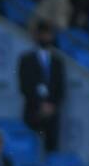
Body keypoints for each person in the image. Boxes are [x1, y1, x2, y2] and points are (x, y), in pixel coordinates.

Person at [18, 20, 65, 153]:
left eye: (49, 34)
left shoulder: (58, 62)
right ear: (38, 35)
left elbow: (61, 88)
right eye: (44, 34)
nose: (46, 37)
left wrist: (52, 105)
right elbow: (24, 86)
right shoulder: (26, 60)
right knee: (29, 149)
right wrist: (40, 105)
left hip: (52, 113)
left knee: (52, 149)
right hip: (32, 110)